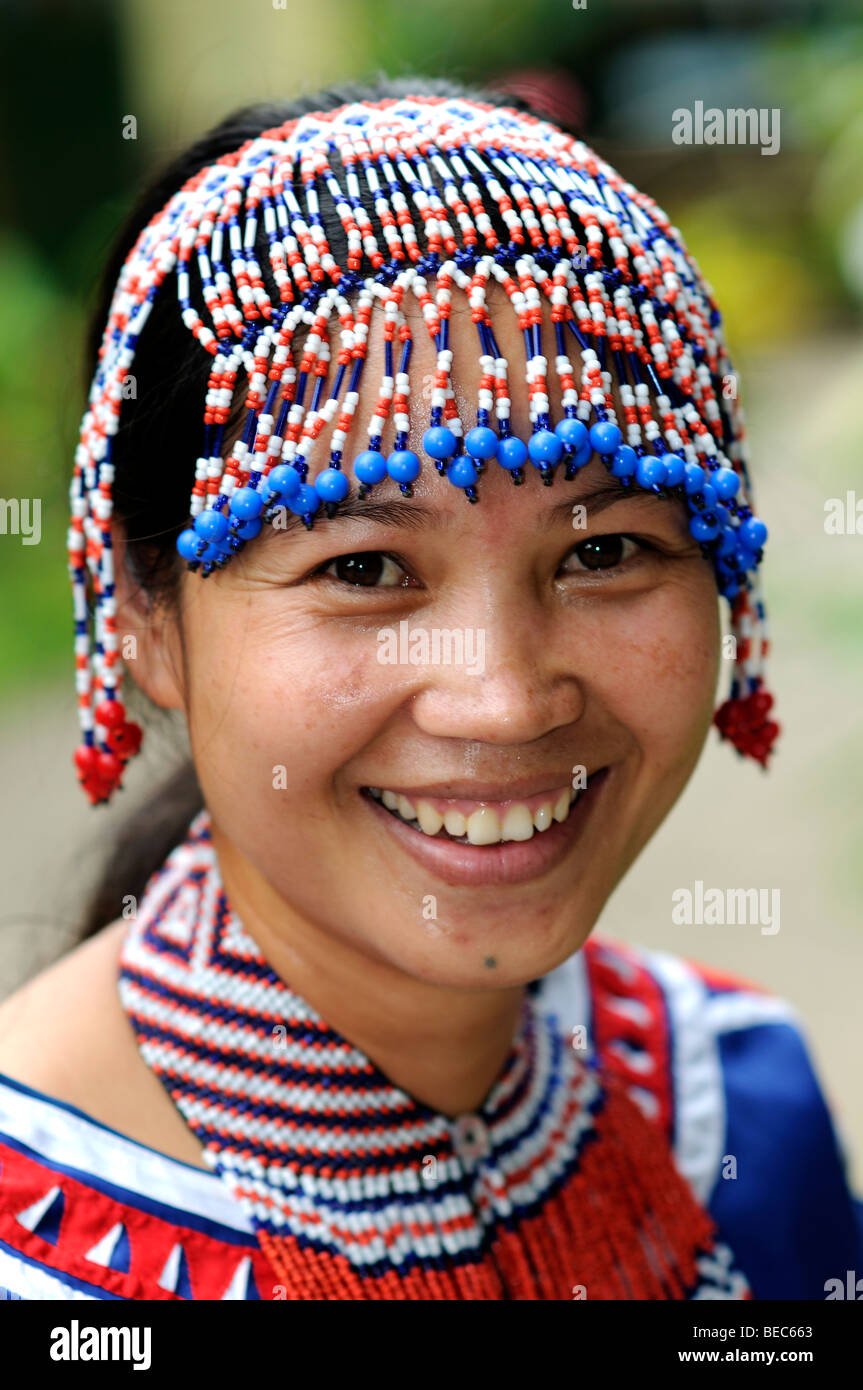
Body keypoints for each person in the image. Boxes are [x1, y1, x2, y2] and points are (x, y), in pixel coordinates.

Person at [0, 75, 858, 1301]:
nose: (505, 699)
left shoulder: (739, 1116)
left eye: (602, 550)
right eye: (362, 567)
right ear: (143, 620)